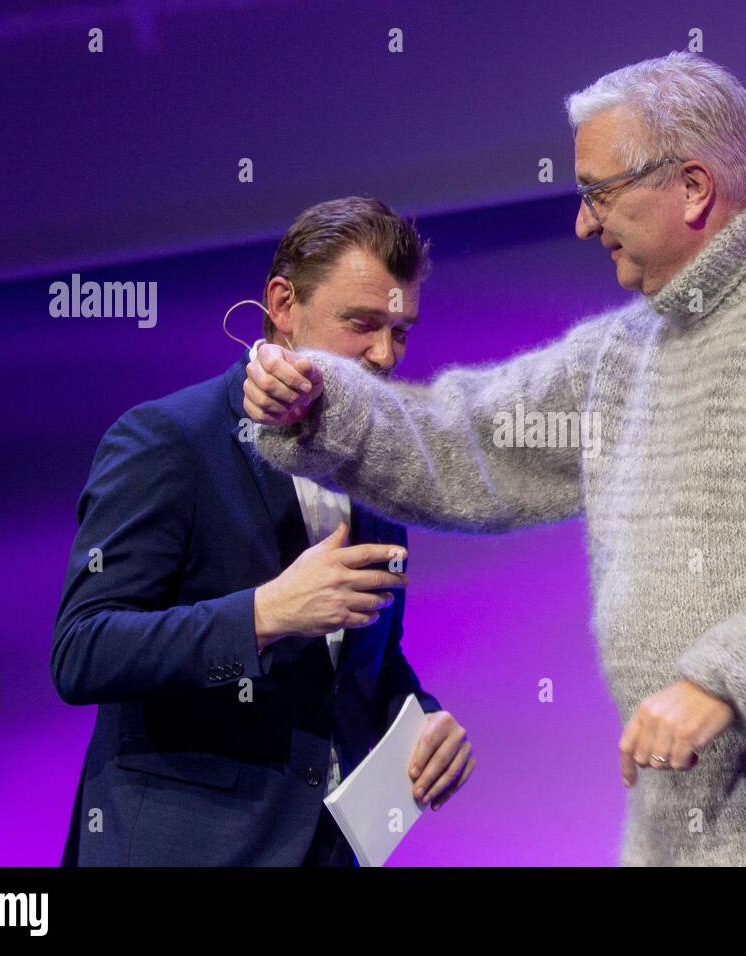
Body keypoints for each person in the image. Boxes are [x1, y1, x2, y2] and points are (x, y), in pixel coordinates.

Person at [245, 53, 746, 865]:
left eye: (598, 193)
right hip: (677, 833)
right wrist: (321, 404)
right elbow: (466, 439)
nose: (585, 224)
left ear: (693, 189)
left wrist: (724, 682)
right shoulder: (622, 354)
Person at [53, 196, 473, 866]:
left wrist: (420, 719)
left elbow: (357, 659)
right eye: (362, 324)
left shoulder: (379, 466)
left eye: (401, 331)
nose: (384, 354)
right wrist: (263, 616)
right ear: (283, 302)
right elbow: (83, 651)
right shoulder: (170, 440)